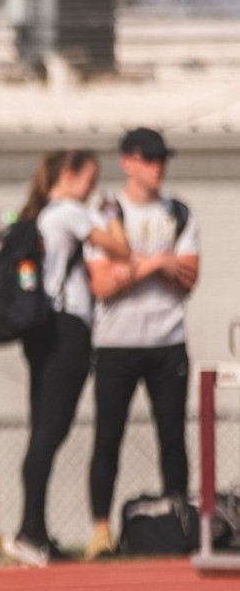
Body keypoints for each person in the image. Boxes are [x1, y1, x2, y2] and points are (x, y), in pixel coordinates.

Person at [3, 150, 130, 567]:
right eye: (90, 178)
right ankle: (29, 530)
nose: (94, 187)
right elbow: (120, 248)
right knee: (50, 431)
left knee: (44, 429)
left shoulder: (43, 215)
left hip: (43, 330)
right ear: (69, 175)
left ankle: (34, 529)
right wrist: (111, 213)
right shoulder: (69, 213)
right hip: (65, 328)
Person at [84, 127, 200, 559]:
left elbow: (189, 276)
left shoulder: (179, 214)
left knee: (172, 434)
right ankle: (100, 529)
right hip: (116, 343)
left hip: (167, 342)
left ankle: (179, 519)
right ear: (127, 161)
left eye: (161, 158)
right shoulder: (106, 214)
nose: (157, 167)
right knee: (107, 436)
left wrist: (132, 264)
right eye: (148, 158)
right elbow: (102, 284)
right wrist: (157, 262)